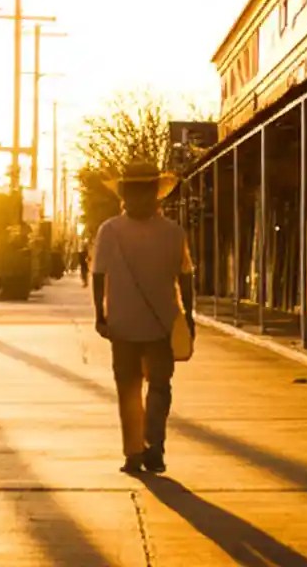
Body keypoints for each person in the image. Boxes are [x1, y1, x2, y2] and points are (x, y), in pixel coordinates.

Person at [91, 161, 194, 475]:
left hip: (128, 325)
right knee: (158, 388)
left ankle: (136, 454)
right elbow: (185, 277)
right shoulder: (173, 232)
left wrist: (101, 315)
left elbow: (98, 275)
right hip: (157, 324)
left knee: (130, 391)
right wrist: (189, 316)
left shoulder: (110, 230)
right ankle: (153, 449)